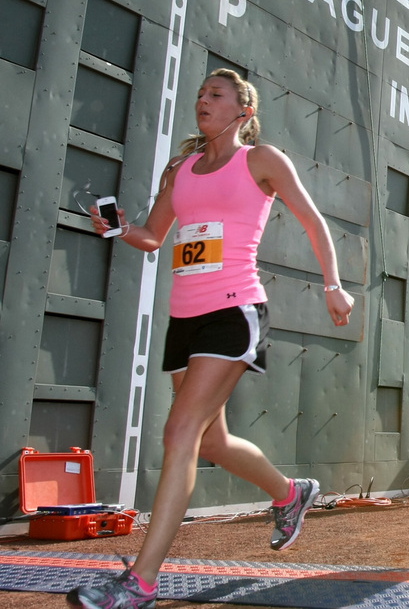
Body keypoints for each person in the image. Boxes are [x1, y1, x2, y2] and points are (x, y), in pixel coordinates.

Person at [71, 69, 354, 609]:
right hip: (186, 318)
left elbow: (314, 222)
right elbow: (153, 237)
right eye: (200, 94)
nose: (203, 101)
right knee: (210, 442)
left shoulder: (262, 160)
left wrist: (334, 286)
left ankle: (142, 583)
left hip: (236, 310)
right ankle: (291, 495)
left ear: (243, 110)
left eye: (216, 95)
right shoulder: (181, 169)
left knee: (178, 434)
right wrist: (114, 227)